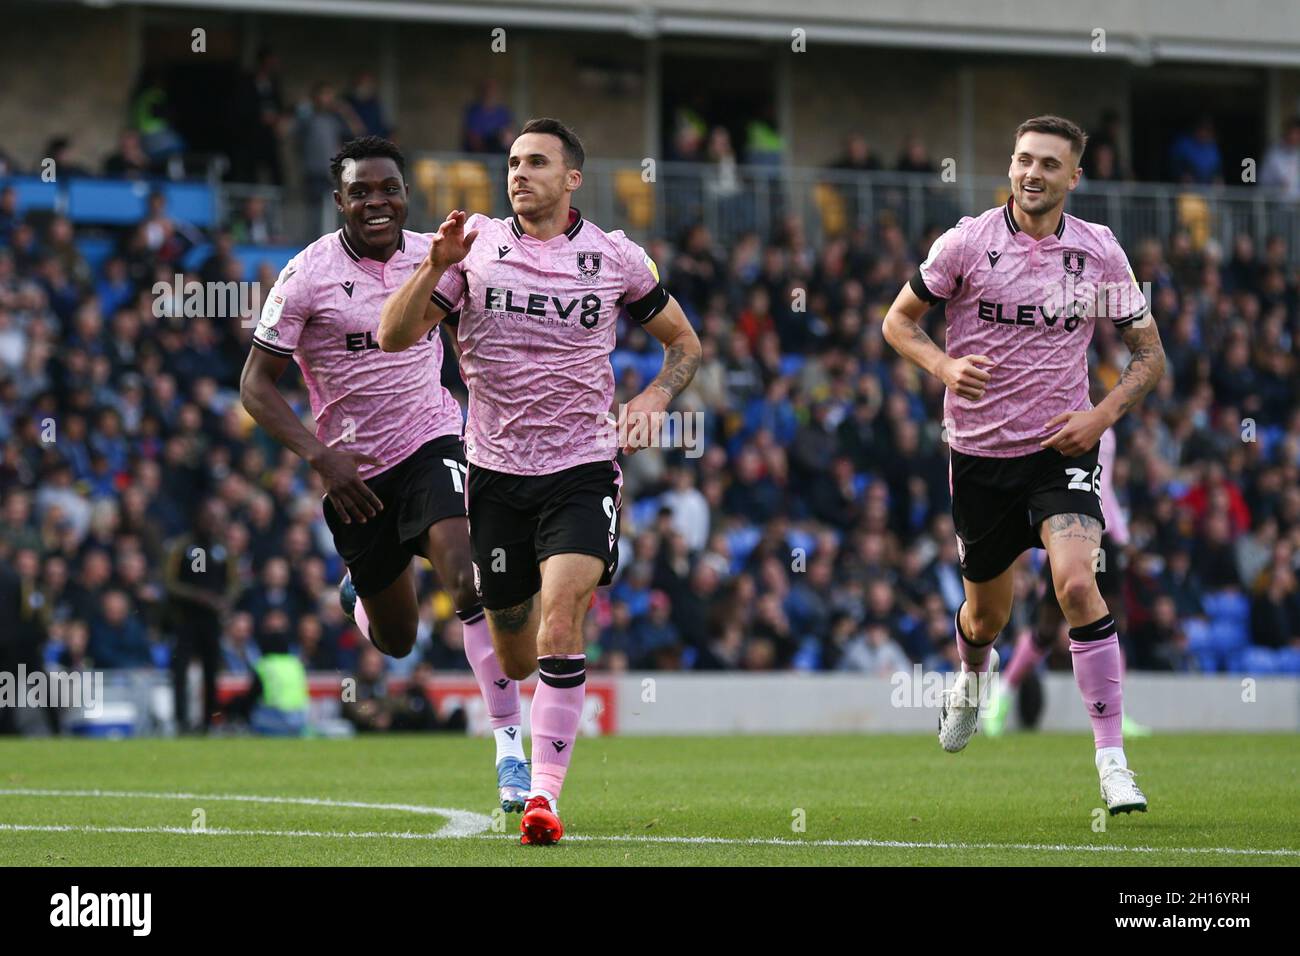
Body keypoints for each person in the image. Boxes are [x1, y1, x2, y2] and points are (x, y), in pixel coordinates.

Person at [379, 117, 701, 844]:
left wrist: (653, 397)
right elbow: (393, 336)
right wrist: (434, 266)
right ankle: (525, 737)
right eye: (513, 162)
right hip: (494, 474)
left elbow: (684, 343)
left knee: (562, 618)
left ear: (572, 179)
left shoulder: (615, 259)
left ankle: (544, 801)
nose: (519, 173)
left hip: (582, 468)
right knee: (518, 648)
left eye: (536, 163)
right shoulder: (476, 248)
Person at [882, 115, 1165, 815]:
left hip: (1060, 452)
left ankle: (1111, 763)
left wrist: (1099, 417)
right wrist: (943, 364)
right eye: (1022, 160)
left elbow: (1150, 355)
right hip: (979, 458)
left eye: (1047, 164)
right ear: (1010, 167)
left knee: (1075, 584)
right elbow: (898, 322)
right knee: (986, 620)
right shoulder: (967, 243)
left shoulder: (1099, 252)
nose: (1032, 173)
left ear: (1074, 177)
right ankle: (973, 682)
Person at [239, 136, 528, 811]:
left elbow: (485, 303)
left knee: (467, 577)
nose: (377, 201)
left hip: (434, 443)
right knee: (396, 640)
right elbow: (254, 385)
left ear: (405, 193)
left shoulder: (437, 258)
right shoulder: (306, 273)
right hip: (353, 476)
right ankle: (359, 595)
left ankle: (510, 748)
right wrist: (318, 455)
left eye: (388, 188)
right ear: (339, 200)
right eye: (361, 191)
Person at [163, 498, 239, 732]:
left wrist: (225, 599)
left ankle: (208, 721)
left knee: (211, 671)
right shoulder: (182, 547)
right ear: (198, 519)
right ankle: (181, 720)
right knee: (180, 670)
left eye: (216, 518)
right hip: (185, 619)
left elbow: (235, 582)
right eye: (208, 517)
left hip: (211, 621)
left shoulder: (222, 549)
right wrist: (197, 596)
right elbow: (169, 582)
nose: (212, 523)